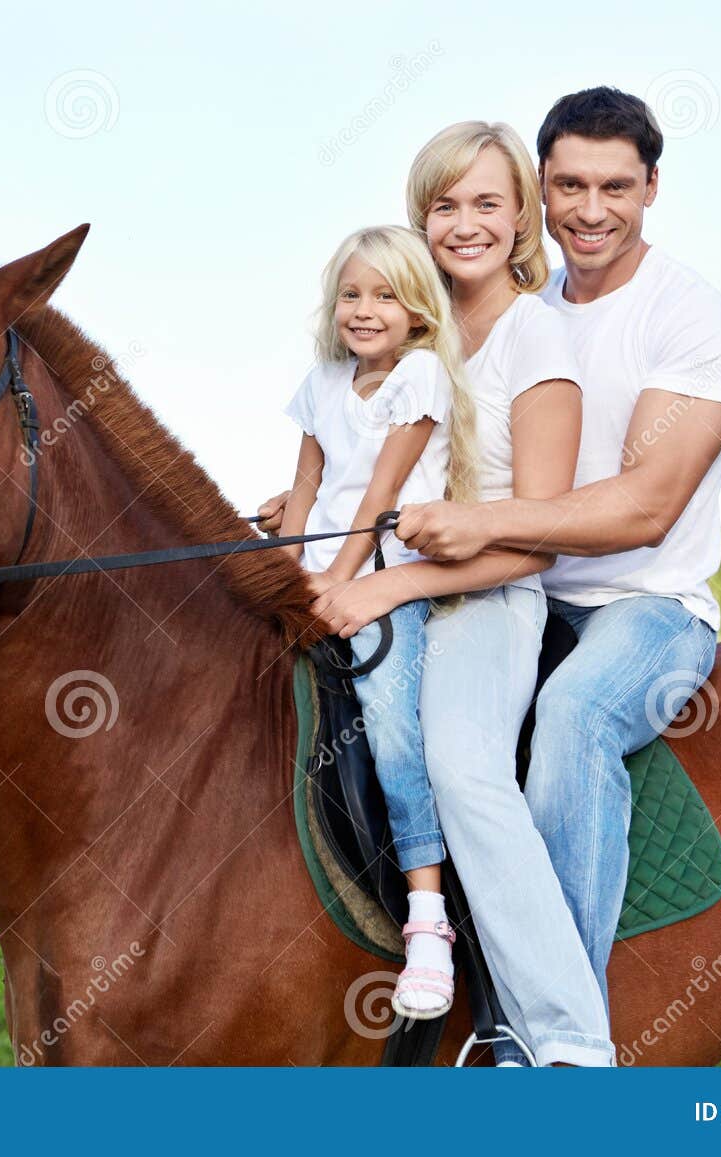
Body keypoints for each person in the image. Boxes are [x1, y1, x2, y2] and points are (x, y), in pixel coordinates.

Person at [391, 88, 721, 1015]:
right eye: (570, 186)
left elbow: (647, 506)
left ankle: (556, 1026)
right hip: (514, 590)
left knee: (574, 717)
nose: (591, 210)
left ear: (652, 188)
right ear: (539, 192)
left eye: (616, 187)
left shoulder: (694, 318)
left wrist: (486, 524)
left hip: (645, 604)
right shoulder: (512, 308)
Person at [272, 123, 615, 1066]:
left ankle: (565, 1041)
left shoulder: (537, 334)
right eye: (445, 204)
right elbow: (362, 464)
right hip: (381, 575)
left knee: (462, 763)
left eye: (487, 204)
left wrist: (394, 582)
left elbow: (538, 533)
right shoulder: (403, 328)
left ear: (522, 217)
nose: (465, 224)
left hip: (484, 592)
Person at [278, 224, 473, 1018]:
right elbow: (305, 489)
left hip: (382, 577)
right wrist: (288, 572)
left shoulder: (420, 376)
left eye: (386, 296)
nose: (365, 310)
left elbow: (379, 497)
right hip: (319, 574)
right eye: (351, 294)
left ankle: (426, 914)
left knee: (393, 726)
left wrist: (337, 579)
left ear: (418, 311)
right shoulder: (323, 382)